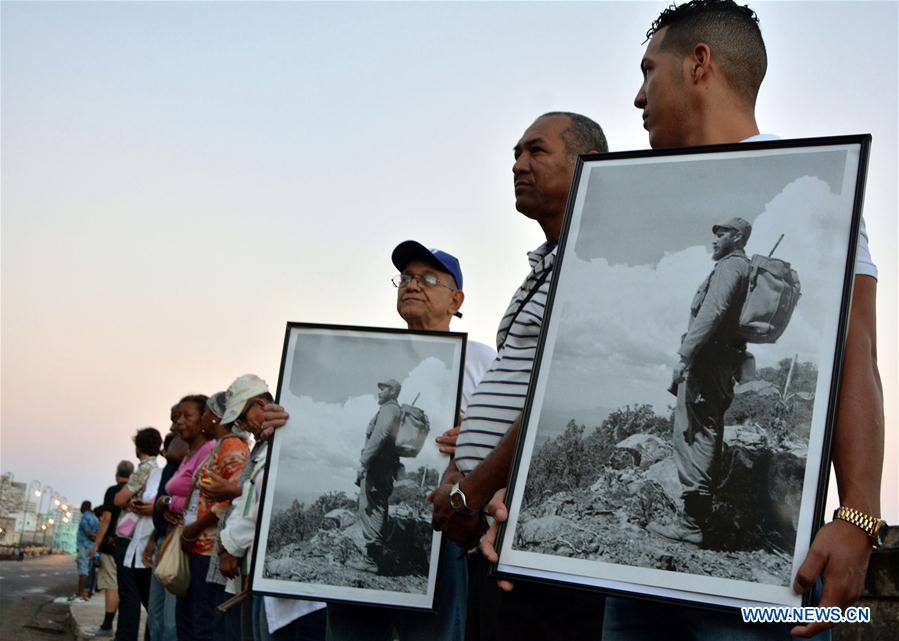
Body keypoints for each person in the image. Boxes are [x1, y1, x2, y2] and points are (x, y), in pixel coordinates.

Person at [602, 1, 885, 639]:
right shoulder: (645, 184)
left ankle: (694, 519)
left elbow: (856, 354)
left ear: (698, 64)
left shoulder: (820, 179)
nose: (637, 96)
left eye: (649, 71)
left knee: (699, 435)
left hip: (753, 605)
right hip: (633, 595)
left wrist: (860, 516)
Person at [427, 112, 609, 641]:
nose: (517, 165)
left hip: (535, 541)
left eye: (536, 151)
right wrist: (460, 465)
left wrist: (472, 490)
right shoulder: (545, 265)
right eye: (515, 153)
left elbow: (563, 398)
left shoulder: (593, 258)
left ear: (587, 165)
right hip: (492, 533)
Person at [265, 241, 496, 641]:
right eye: (405, 277)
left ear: (456, 298)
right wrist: (283, 424)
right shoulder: (375, 353)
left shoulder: (481, 360)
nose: (412, 285)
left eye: (427, 278)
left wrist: (474, 439)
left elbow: (511, 440)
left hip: (447, 528)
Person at [648, 216, 753, 545]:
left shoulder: (730, 267)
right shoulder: (742, 269)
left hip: (707, 363)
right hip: (719, 362)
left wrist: (685, 354)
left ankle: (692, 523)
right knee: (703, 430)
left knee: (695, 435)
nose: (715, 238)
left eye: (721, 233)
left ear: (737, 237)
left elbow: (713, 310)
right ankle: (697, 518)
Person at [217, 374, 328, 641]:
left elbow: (261, 506)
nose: (243, 425)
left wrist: (230, 545)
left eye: (243, 418)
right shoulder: (262, 448)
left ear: (259, 403)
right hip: (259, 573)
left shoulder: (289, 442)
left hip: (284, 582)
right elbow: (245, 501)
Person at [184, 391, 250, 641]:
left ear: (217, 417)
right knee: (202, 620)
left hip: (211, 544)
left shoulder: (232, 445)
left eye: (206, 411)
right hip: (202, 545)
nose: (202, 417)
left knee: (209, 623)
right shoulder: (221, 445)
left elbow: (231, 499)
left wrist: (193, 529)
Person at [157, 394, 215, 641]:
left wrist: (168, 502)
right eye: (177, 416)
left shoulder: (209, 450)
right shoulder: (190, 453)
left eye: (186, 416)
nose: (179, 422)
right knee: (183, 619)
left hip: (202, 543)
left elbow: (205, 498)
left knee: (198, 620)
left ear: (204, 419)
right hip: (185, 541)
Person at [112, 426, 163, 641]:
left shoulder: (144, 469)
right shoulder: (161, 469)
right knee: (149, 599)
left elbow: (119, 499)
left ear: (138, 447)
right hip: (150, 538)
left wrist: (130, 502)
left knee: (129, 596)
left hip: (132, 540)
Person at [354, 378, 403, 572]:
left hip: (377, 468)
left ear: (392, 392)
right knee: (376, 507)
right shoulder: (393, 410)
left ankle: (372, 561)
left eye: (383, 389)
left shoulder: (389, 409)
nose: (379, 392)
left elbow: (380, 434)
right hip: (383, 468)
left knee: (373, 509)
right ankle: (374, 558)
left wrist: (364, 461)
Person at [145, 428, 189, 641]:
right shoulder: (170, 468)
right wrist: (153, 539)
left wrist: (166, 504)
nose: (175, 424)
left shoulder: (191, 461)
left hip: (177, 542)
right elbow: (161, 503)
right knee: (155, 612)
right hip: (163, 539)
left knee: (170, 619)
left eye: (182, 417)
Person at [88, 460, 135, 637]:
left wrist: (97, 544)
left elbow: (106, 520)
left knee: (111, 585)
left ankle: (107, 625)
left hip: (111, 546)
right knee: (125, 586)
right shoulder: (134, 490)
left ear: (117, 474)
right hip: (129, 544)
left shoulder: (113, 491)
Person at [73, 500, 99, 602]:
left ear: (83, 507)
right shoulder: (95, 518)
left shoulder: (85, 517)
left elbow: (87, 532)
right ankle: (86, 593)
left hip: (84, 546)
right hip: (92, 548)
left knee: (82, 571)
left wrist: (94, 537)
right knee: (89, 570)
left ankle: (80, 594)